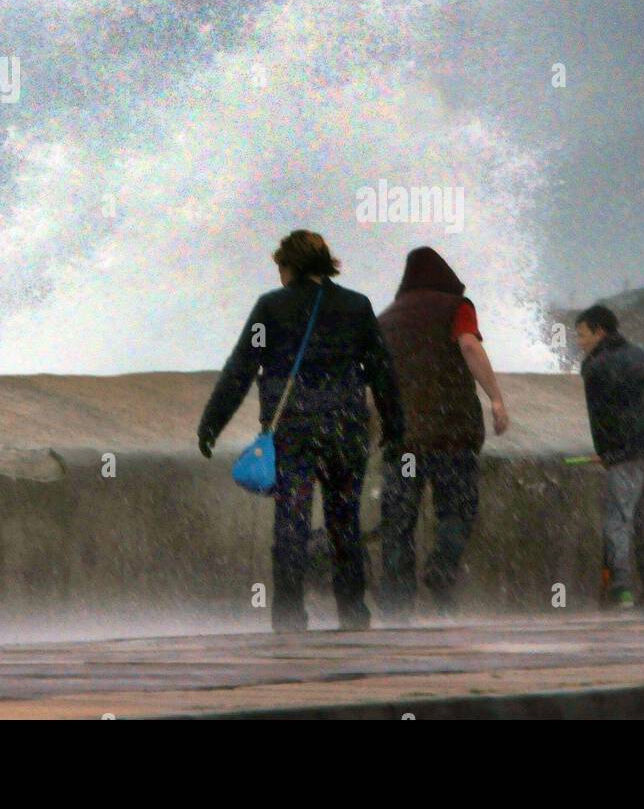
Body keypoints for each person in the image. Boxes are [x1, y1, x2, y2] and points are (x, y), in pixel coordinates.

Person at [197, 231, 404, 633]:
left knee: (290, 521)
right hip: (345, 429)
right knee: (344, 521)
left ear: (288, 266)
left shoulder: (271, 308)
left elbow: (241, 366)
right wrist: (396, 426)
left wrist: (212, 423)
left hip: (293, 430)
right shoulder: (356, 306)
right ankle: (353, 610)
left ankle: (289, 615)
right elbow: (381, 370)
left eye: (280, 266)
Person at [376, 247, 509, 619]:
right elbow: (469, 344)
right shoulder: (456, 306)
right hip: (451, 436)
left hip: (402, 444)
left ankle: (396, 605)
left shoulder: (386, 319)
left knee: (398, 520)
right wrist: (496, 398)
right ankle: (441, 567)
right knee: (457, 509)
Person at [575, 304, 644, 610]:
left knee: (618, 520)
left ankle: (622, 589)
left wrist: (606, 452)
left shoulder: (596, 365)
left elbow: (599, 415)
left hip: (623, 452)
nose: (580, 342)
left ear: (599, 331)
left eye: (582, 334)